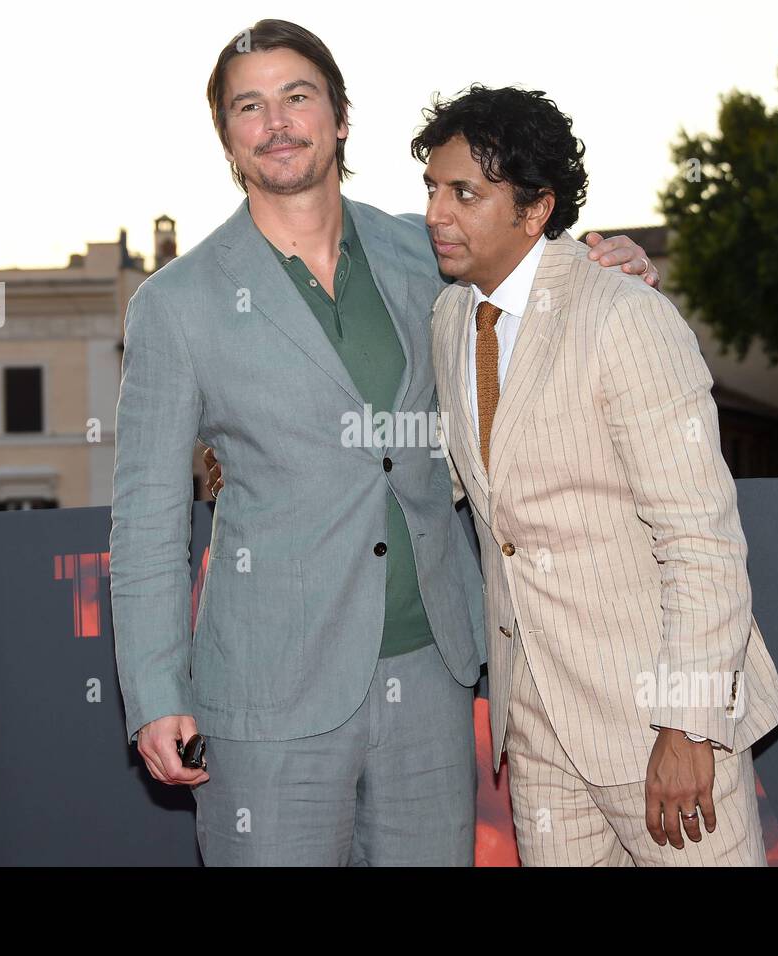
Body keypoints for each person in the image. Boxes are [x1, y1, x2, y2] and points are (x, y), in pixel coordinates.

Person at [109, 21, 657, 866]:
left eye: (298, 96)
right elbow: (145, 519)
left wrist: (606, 268)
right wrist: (153, 694)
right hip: (267, 691)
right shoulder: (176, 304)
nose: (278, 121)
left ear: (340, 118)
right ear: (227, 136)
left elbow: (539, 286)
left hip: (433, 671)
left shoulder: (425, 248)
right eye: (249, 106)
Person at [418, 85, 778, 865]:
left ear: (534, 207)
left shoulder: (623, 315)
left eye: (464, 193)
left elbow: (703, 542)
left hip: (661, 723)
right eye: (431, 188)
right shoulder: (452, 319)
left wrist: (688, 727)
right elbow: (454, 480)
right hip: (539, 730)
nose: (435, 214)